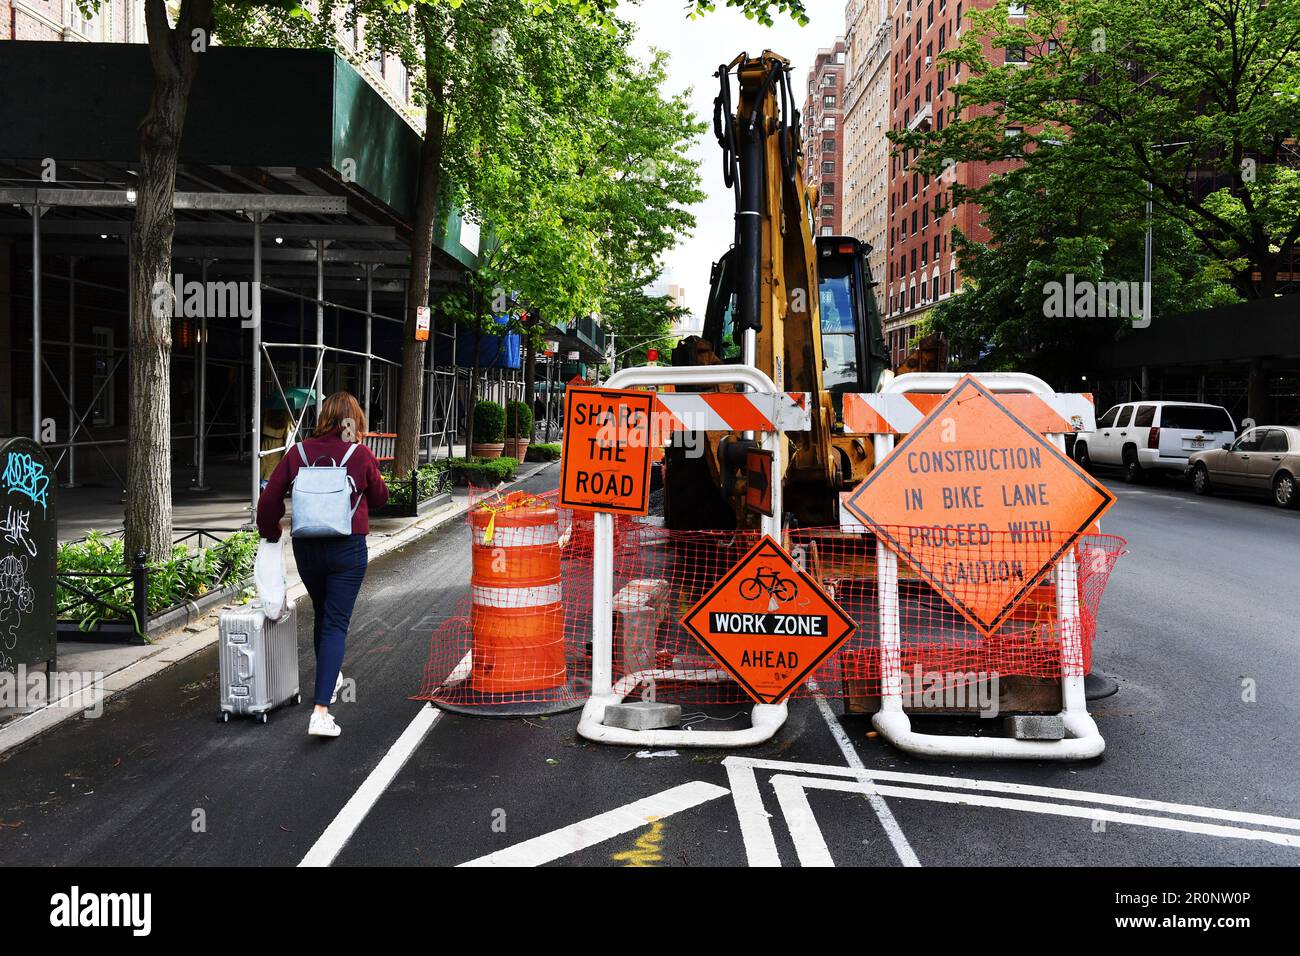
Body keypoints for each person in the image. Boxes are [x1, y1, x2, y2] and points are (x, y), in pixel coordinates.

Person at [256, 391, 388, 738]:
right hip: (347, 549)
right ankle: (321, 711)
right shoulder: (359, 453)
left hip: (307, 548)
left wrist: (272, 530)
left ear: (323, 416)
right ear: (353, 420)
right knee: (335, 624)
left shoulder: (298, 452)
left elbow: (268, 500)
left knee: (322, 612)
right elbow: (380, 498)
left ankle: (329, 683)